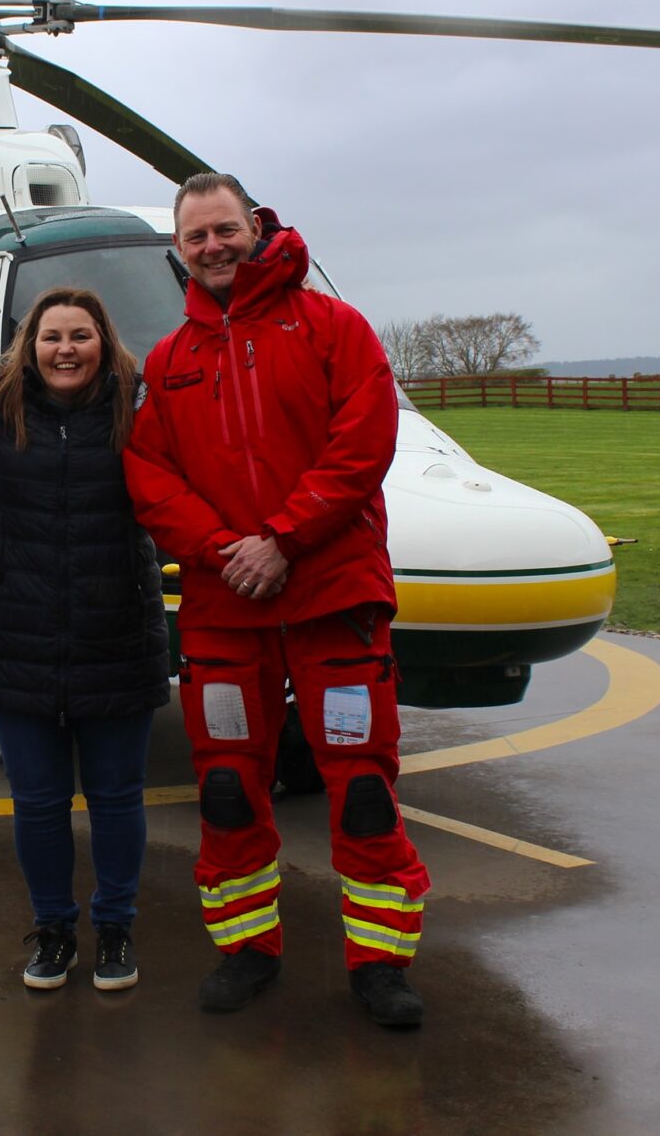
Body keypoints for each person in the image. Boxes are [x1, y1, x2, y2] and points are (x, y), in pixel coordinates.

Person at [123, 172, 431, 1027]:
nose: (213, 247)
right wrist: (226, 551)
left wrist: (283, 538)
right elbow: (150, 476)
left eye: (224, 230)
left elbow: (363, 441)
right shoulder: (170, 357)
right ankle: (247, 948)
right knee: (226, 786)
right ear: (179, 250)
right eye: (197, 238)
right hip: (227, 605)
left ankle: (380, 964)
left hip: (331, 591)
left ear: (255, 227)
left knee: (362, 785)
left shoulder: (333, 327)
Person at [0, 288, 170, 992]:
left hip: (115, 635)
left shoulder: (139, 403)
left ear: (104, 341)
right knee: (37, 801)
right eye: (51, 336)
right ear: (28, 346)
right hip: (19, 637)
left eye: (81, 336)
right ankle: (54, 926)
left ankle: (115, 925)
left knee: (118, 797)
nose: (65, 349)